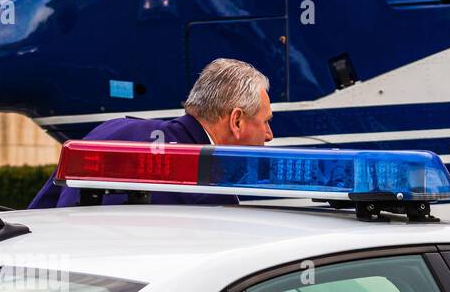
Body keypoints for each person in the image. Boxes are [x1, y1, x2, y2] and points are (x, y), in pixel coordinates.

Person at [28, 58, 274, 209]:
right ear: (237, 121)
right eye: (265, 122)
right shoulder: (210, 196)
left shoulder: (111, 130)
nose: (269, 134)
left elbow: (40, 215)